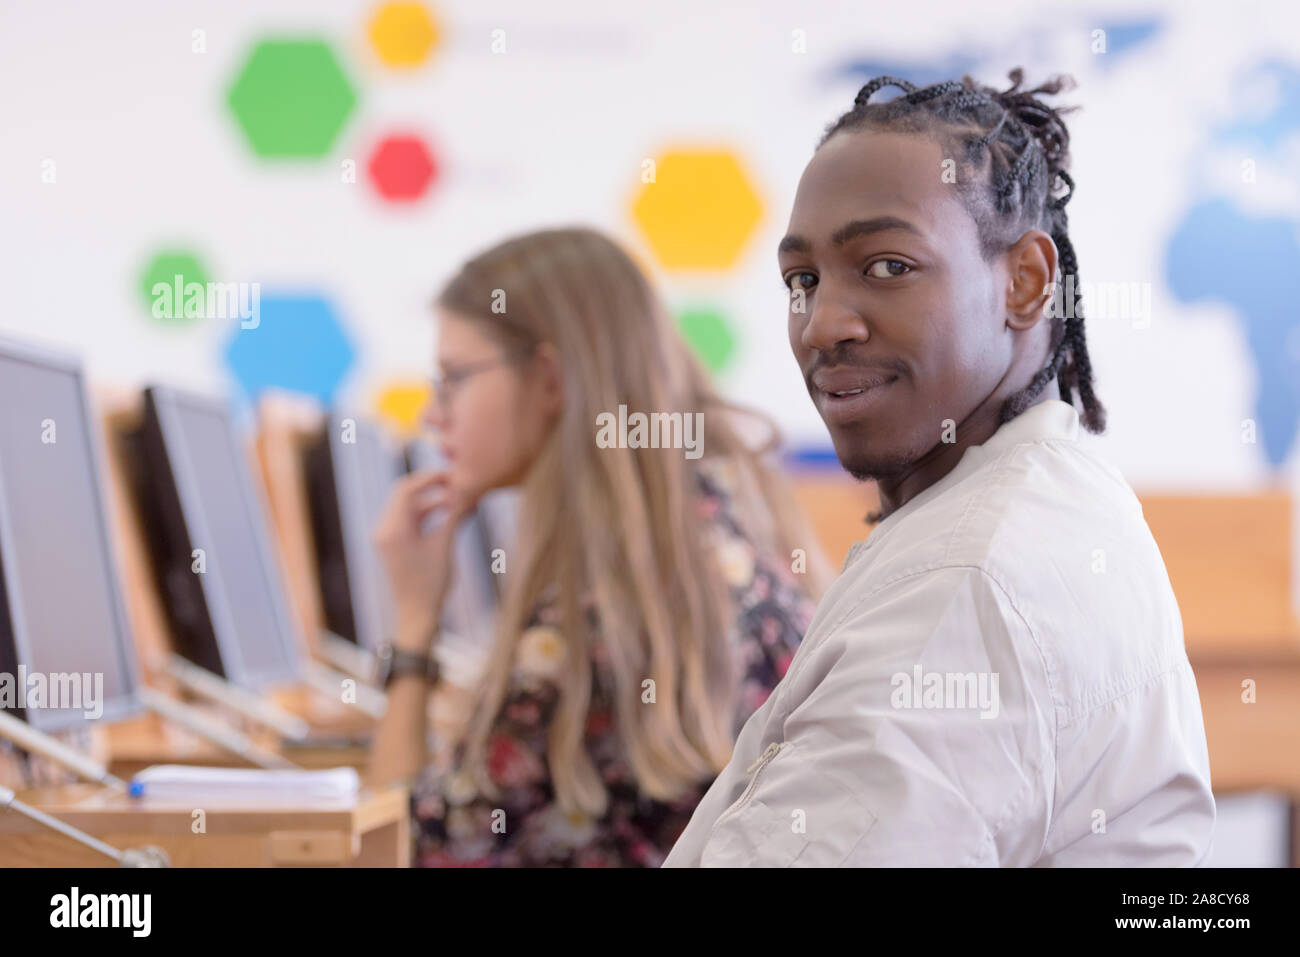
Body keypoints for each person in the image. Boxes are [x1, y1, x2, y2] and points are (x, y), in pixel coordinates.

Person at [664, 70, 1216, 867]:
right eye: (803, 280)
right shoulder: (1033, 496)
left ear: (1024, 282)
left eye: (887, 266)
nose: (824, 324)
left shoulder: (963, 582)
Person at [367, 226, 831, 866]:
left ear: (551, 379)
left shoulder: (587, 629)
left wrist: (414, 629)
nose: (432, 414)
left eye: (453, 378)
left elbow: (397, 852)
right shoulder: (717, 538)